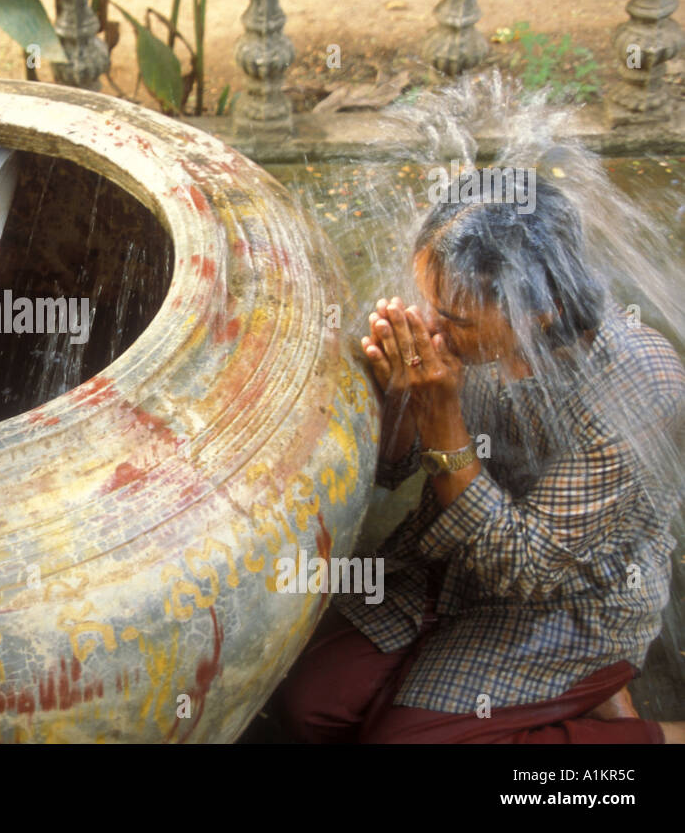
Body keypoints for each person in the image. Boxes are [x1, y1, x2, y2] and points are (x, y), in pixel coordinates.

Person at [276, 169, 685, 743]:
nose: (433, 330)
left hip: (568, 600)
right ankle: (578, 700)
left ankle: (654, 735)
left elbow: (525, 568)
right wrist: (398, 393)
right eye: (429, 304)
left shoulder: (637, 383)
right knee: (308, 708)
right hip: (449, 566)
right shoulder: (475, 333)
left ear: (538, 312)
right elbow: (391, 470)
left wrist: (441, 414)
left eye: (455, 320)